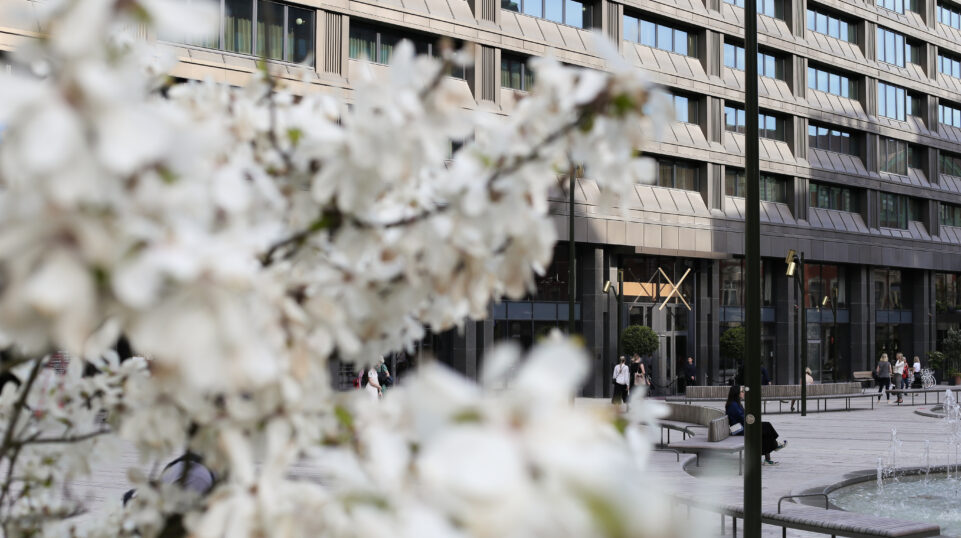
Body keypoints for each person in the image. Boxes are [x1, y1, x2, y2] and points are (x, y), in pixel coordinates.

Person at [725, 385, 786, 465]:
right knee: (766, 426)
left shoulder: (736, 404)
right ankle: (775, 445)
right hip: (739, 430)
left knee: (765, 431)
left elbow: (744, 417)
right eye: (742, 391)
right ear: (737, 393)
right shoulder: (733, 405)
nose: (744, 393)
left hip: (743, 427)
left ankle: (773, 448)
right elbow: (742, 418)